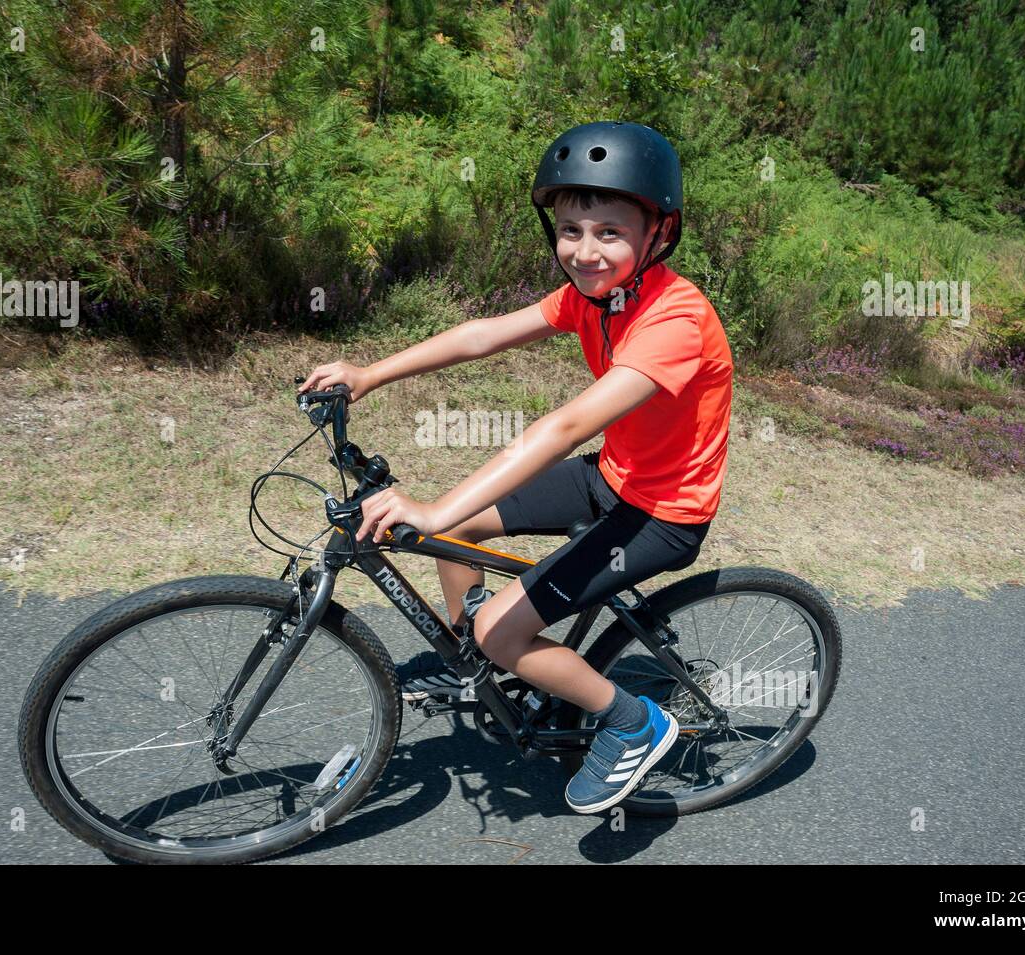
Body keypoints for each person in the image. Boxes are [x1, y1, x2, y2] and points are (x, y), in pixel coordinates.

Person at [296, 121, 733, 814]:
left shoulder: (676, 320)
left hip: (662, 514)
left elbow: (564, 427)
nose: (585, 252)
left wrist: (432, 510)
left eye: (609, 232)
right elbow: (481, 336)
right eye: (570, 230)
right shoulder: (598, 297)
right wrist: (369, 373)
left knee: (490, 611)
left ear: (659, 233)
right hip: (611, 477)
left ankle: (633, 722)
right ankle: (491, 645)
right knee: (457, 532)